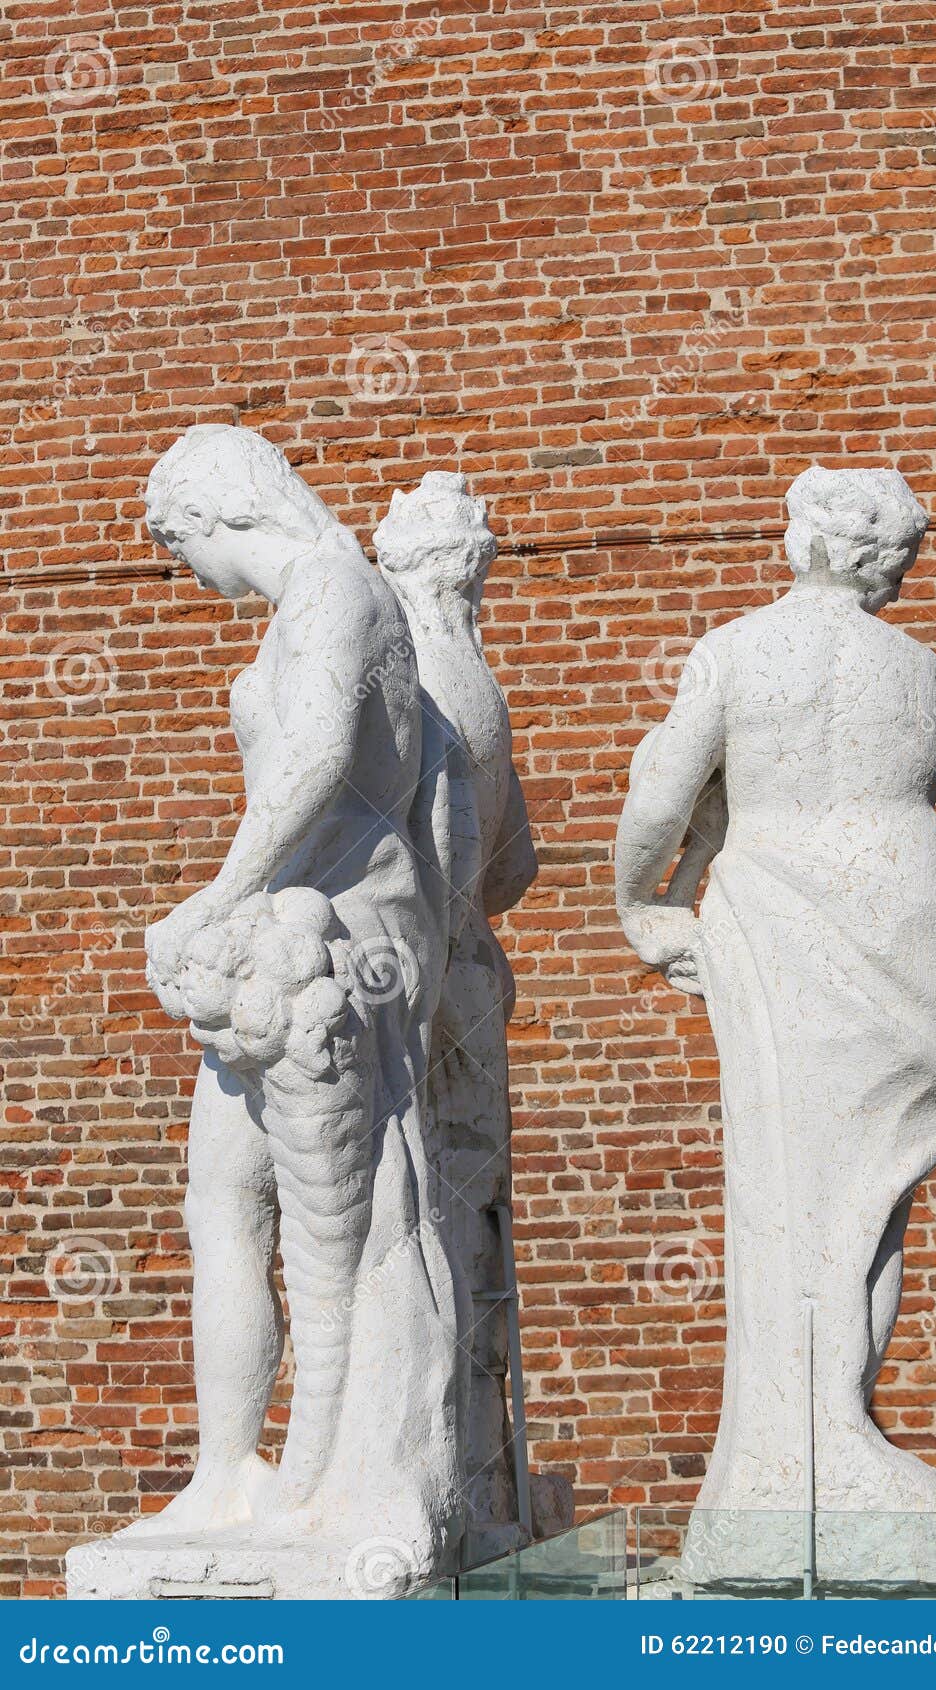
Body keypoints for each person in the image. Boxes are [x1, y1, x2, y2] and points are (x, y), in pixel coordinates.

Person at [128, 426, 466, 1581]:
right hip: (297, 931)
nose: (188, 573)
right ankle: (231, 1470)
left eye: (179, 546)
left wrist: (216, 895)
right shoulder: (334, 598)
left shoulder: (332, 586)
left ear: (215, 514)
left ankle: (333, 1468)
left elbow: (319, 753)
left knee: (325, 1217)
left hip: (327, 934)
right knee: (224, 1196)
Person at [616, 465, 936, 1516]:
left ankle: (807, 1450)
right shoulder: (920, 668)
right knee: (874, 1182)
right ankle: (833, 1434)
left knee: (786, 1180)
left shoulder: (736, 649)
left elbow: (663, 794)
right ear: (884, 557)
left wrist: (637, 901)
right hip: (906, 906)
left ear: (801, 539)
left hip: (780, 902)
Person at [375, 472, 539, 1556]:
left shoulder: (404, 676)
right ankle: (478, 1488)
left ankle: (421, 1476)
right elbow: (514, 862)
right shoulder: (480, 683)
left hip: (411, 977)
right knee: (468, 1224)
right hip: (472, 967)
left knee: (402, 1224)